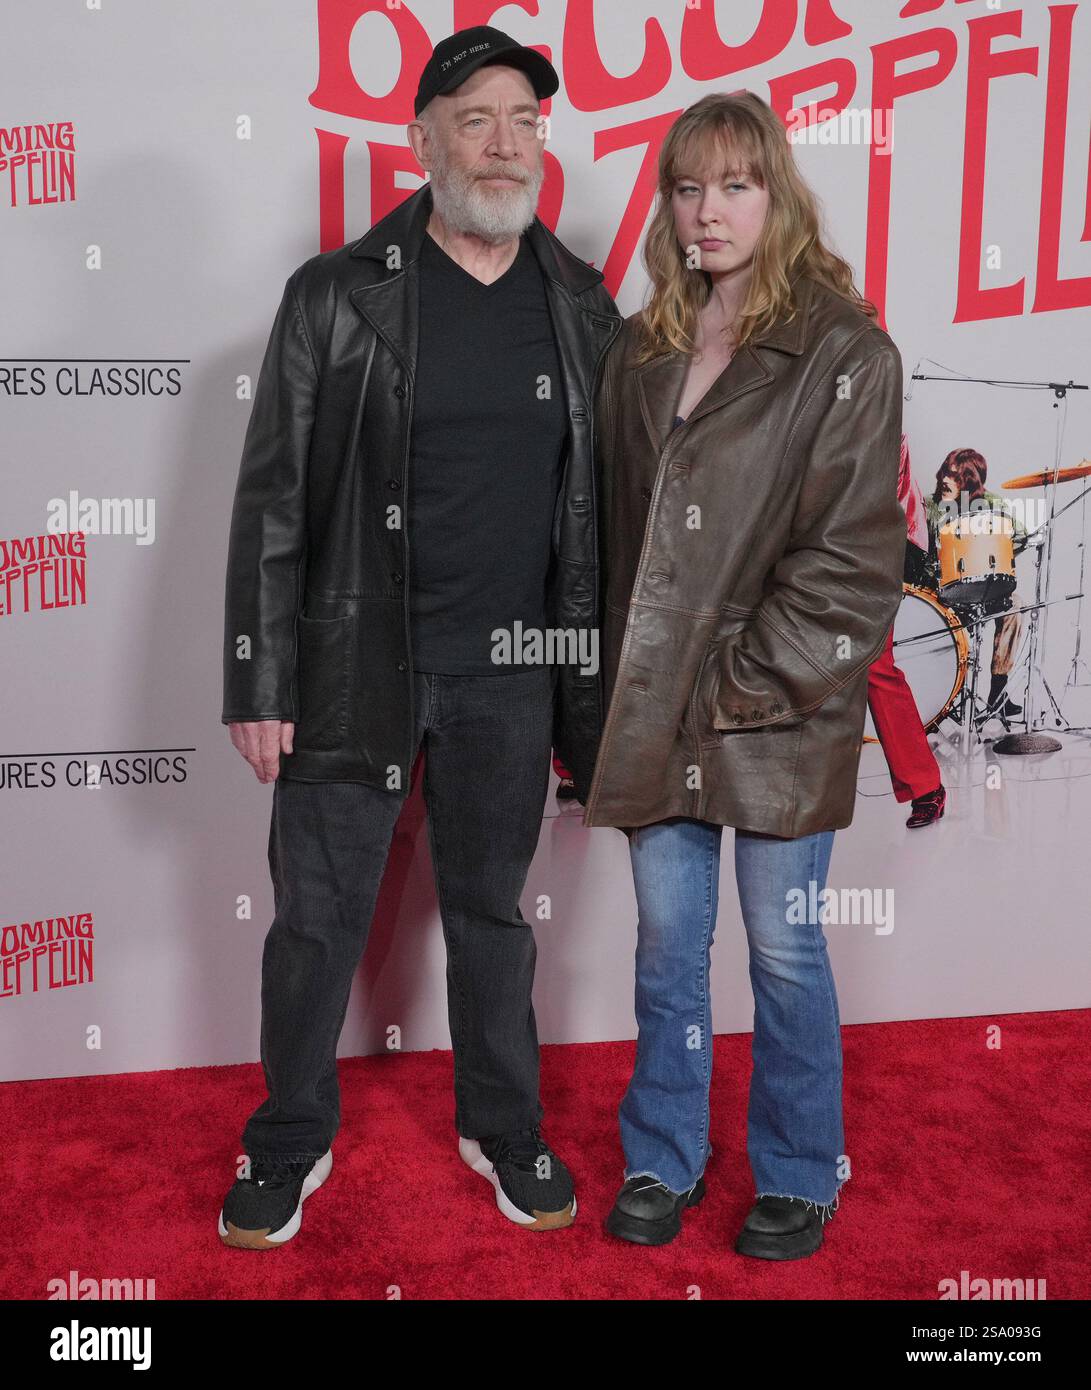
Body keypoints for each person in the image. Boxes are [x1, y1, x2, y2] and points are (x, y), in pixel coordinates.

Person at [218, 25, 621, 1247]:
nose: (503, 146)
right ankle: (287, 1137)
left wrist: (584, 700)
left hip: (512, 676)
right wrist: (258, 676)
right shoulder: (336, 295)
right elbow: (274, 496)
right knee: (312, 922)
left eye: (523, 123)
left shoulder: (582, 304)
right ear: (423, 139)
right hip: (350, 662)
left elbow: (593, 525)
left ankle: (500, 1122)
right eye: (475, 119)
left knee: (492, 913)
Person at [581, 92, 906, 1259]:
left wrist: (731, 682)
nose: (703, 211)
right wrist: (605, 692)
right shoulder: (642, 342)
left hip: (776, 709)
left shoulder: (843, 349)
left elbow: (850, 566)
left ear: (775, 194)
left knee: (782, 950)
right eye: (683, 186)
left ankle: (799, 1168)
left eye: (730, 185)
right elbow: (611, 542)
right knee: (667, 952)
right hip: (652, 705)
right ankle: (662, 1154)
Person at [866, 433, 946, 828]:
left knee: (875, 669)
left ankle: (925, 785)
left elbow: (891, 499)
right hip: (800, 557)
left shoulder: (882, 420)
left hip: (871, 555)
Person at [923, 448, 1026, 720]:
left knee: (1014, 606)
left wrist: (996, 551)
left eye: (955, 476)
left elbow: (1021, 536)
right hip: (942, 591)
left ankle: (998, 692)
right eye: (945, 472)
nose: (946, 479)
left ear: (970, 481)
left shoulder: (991, 503)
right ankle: (945, 696)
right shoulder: (929, 505)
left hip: (983, 586)